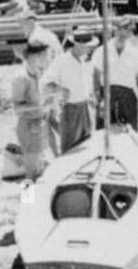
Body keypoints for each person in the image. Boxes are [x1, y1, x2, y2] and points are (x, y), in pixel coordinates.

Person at [42, 31, 98, 153]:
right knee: (70, 147)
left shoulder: (83, 60)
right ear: (79, 45)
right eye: (87, 46)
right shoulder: (62, 60)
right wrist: (61, 89)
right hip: (70, 109)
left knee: (85, 144)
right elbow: (45, 82)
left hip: (85, 107)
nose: (89, 49)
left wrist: (90, 95)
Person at [9, 40, 51, 180]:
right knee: (30, 170)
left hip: (38, 125)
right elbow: (17, 108)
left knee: (38, 168)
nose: (47, 59)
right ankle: (27, 200)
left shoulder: (37, 73)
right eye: (45, 56)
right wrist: (41, 105)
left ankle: (34, 200)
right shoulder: (21, 78)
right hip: (28, 127)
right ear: (34, 57)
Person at [92, 16, 138, 129]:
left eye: (127, 31)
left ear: (131, 33)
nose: (122, 34)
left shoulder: (136, 53)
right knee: (104, 134)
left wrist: (137, 98)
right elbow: (95, 77)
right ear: (114, 30)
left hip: (128, 97)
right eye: (120, 30)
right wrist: (98, 98)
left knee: (129, 134)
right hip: (107, 96)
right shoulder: (101, 51)